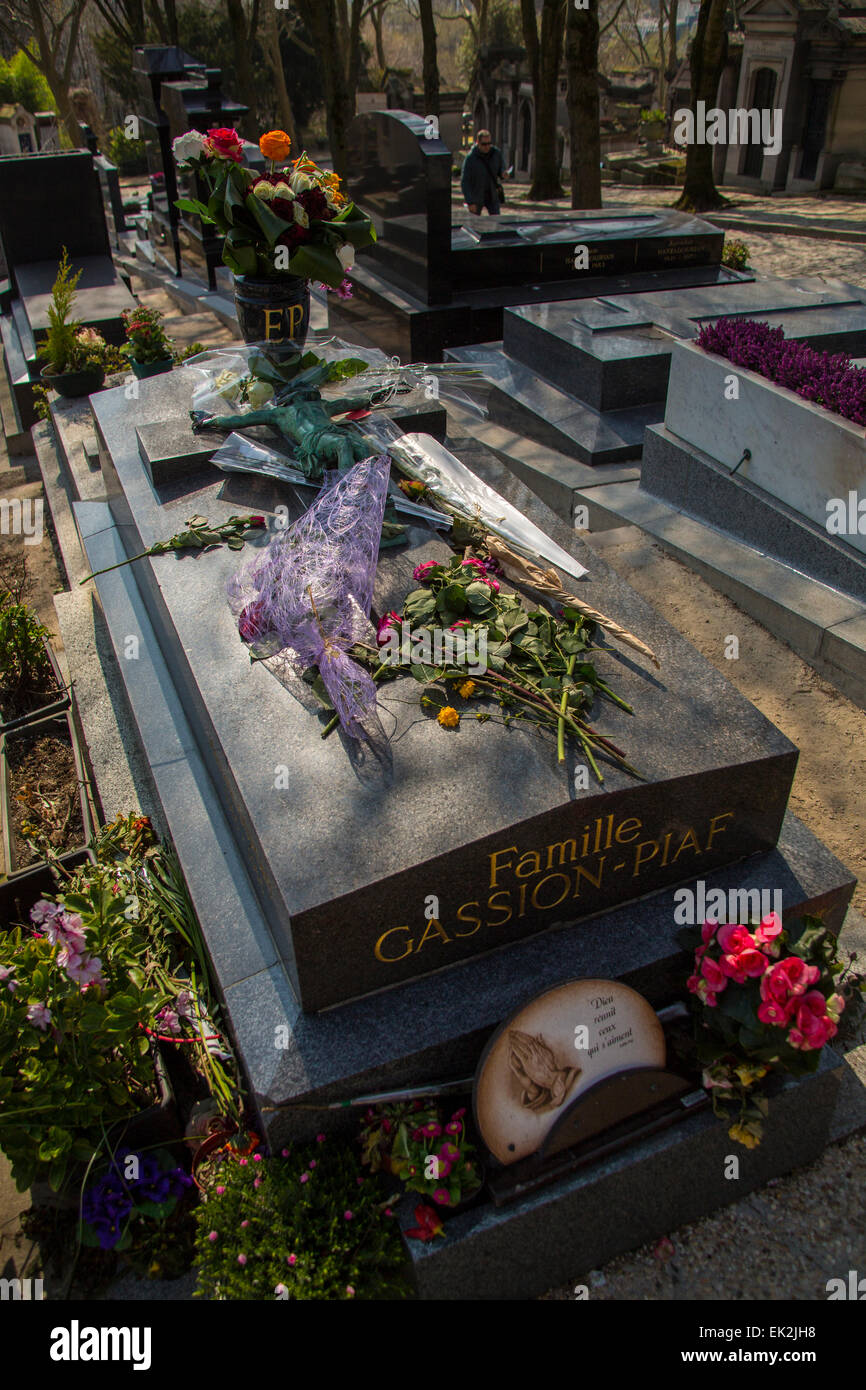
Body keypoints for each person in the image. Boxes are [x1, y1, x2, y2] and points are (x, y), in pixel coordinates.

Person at [461, 130, 504, 215]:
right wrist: (470, 202)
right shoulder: (471, 158)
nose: (487, 146)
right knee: (474, 223)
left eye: (489, 143)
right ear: (478, 142)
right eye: (484, 144)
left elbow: (501, 168)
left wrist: (503, 173)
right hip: (476, 196)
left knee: (497, 221)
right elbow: (465, 181)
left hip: (492, 195)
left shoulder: (496, 153)